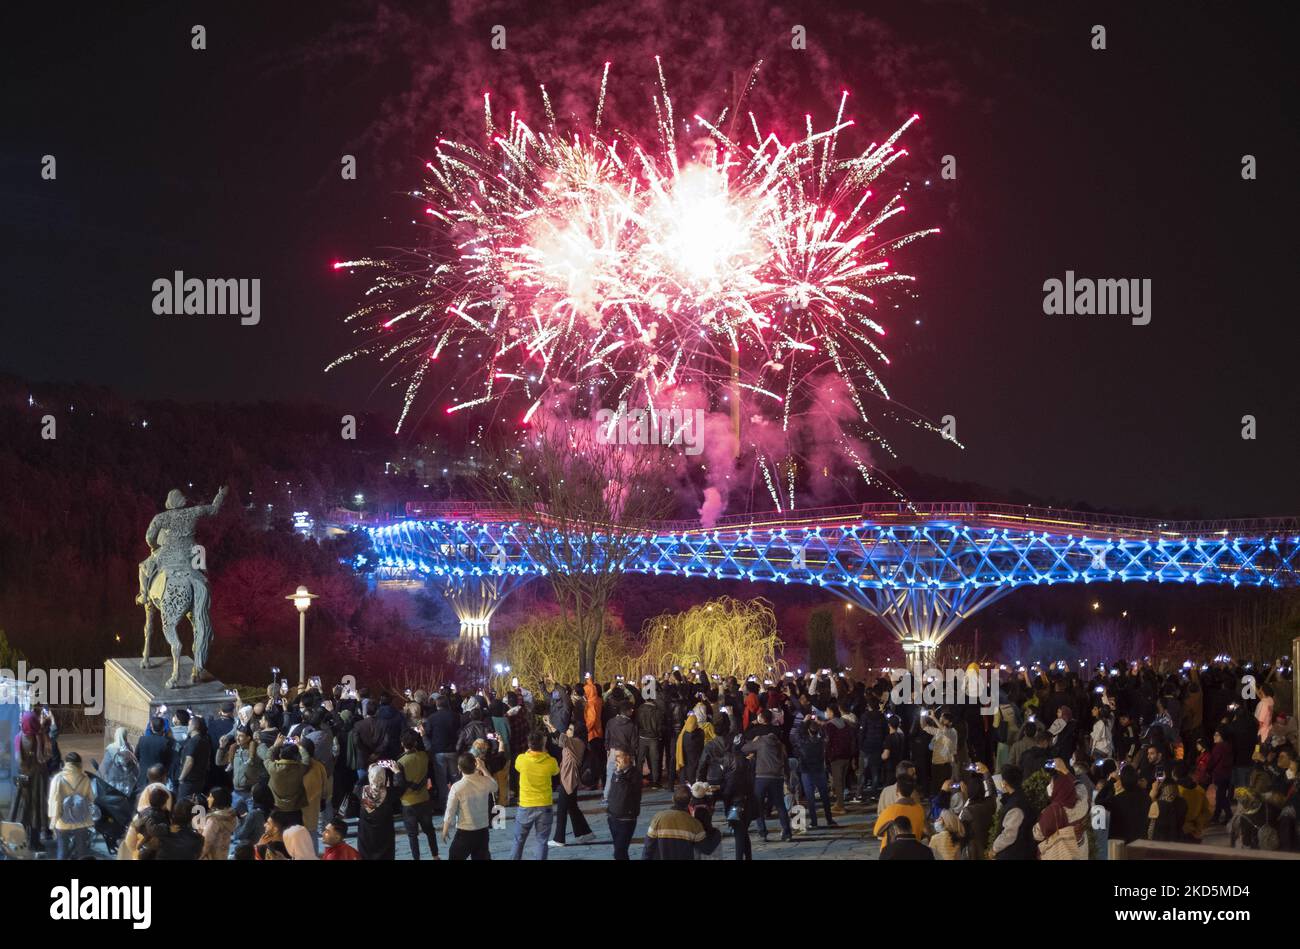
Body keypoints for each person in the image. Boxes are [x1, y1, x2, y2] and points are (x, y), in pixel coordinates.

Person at [512, 730, 558, 859]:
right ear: (543, 744)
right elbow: (555, 772)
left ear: (529, 744)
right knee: (542, 841)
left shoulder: (521, 759)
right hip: (544, 804)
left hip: (526, 805)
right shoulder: (550, 761)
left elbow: (517, 767)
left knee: (518, 840)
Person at [741, 726, 792, 842]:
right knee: (780, 806)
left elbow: (744, 749)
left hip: (762, 777)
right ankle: (787, 833)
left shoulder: (761, 742)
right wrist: (787, 779)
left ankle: (762, 832)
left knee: (758, 804)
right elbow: (786, 763)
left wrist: (754, 741)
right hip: (777, 777)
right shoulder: (781, 745)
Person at [443, 752, 496, 860]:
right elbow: (495, 787)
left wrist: (445, 828)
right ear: (475, 765)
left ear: (459, 768)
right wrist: (484, 769)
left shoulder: (457, 787)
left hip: (465, 831)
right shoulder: (485, 781)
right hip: (482, 831)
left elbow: (450, 810)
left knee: (454, 856)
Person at [396, 729, 439, 859]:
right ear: (415, 742)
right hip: (424, 799)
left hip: (408, 802)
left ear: (402, 743)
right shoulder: (424, 756)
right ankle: (435, 855)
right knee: (430, 831)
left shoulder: (401, 762)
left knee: (412, 835)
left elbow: (401, 784)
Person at [551, 723, 595, 847]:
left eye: (570, 729)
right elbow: (559, 741)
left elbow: (561, 738)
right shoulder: (572, 742)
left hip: (569, 779)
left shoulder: (576, 742)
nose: (567, 730)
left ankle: (559, 839)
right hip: (568, 778)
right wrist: (550, 728)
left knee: (562, 809)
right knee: (572, 807)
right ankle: (585, 833)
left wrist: (551, 724)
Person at [47, 751, 95, 860]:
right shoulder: (85, 778)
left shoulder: (58, 779)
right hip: (82, 820)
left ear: (66, 763)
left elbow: (54, 800)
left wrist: (53, 821)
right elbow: (91, 798)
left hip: (62, 820)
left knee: (62, 850)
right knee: (82, 852)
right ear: (79, 763)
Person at [791, 716, 835, 829]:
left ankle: (814, 821)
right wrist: (820, 724)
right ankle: (829, 819)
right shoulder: (821, 742)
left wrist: (804, 722)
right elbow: (826, 736)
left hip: (807, 771)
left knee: (810, 798)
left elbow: (795, 735)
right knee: (825, 796)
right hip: (819, 770)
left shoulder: (803, 742)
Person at [642, 786, 707, 859]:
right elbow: (704, 849)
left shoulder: (658, 817)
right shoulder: (695, 824)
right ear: (690, 802)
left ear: (672, 799)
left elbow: (648, 846)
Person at [990, 764, 1037, 860]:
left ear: (1004, 783)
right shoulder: (1021, 798)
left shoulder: (1015, 806)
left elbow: (1009, 835)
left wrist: (994, 849)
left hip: (1015, 853)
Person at [357, 760, 402, 859]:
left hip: (366, 837)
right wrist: (397, 772)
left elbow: (358, 783)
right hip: (385, 840)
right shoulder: (389, 794)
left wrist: (369, 772)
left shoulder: (362, 792)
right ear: (384, 778)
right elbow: (401, 787)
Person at [607, 748, 642, 859]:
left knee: (619, 851)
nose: (616, 759)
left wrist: (620, 773)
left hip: (627, 818)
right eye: (615, 756)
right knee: (620, 851)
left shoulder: (635, 773)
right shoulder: (616, 771)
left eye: (619, 756)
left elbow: (626, 791)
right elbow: (613, 791)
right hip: (613, 816)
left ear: (628, 757)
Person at [872, 773, 925, 844]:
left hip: (892, 852)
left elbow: (876, 832)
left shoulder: (890, 810)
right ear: (912, 791)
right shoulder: (919, 809)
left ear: (897, 791)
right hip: (914, 850)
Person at [199, 787, 237, 860]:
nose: (207, 799)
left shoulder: (214, 820)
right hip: (223, 855)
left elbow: (205, 844)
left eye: (210, 797)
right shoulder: (231, 815)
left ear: (217, 800)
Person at [101, 726, 140, 798]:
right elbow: (135, 765)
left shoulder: (110, 748)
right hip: (128, 783)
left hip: (113, 781)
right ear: (125, 736)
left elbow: (105, 766)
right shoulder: (131, 747)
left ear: (116, 735)